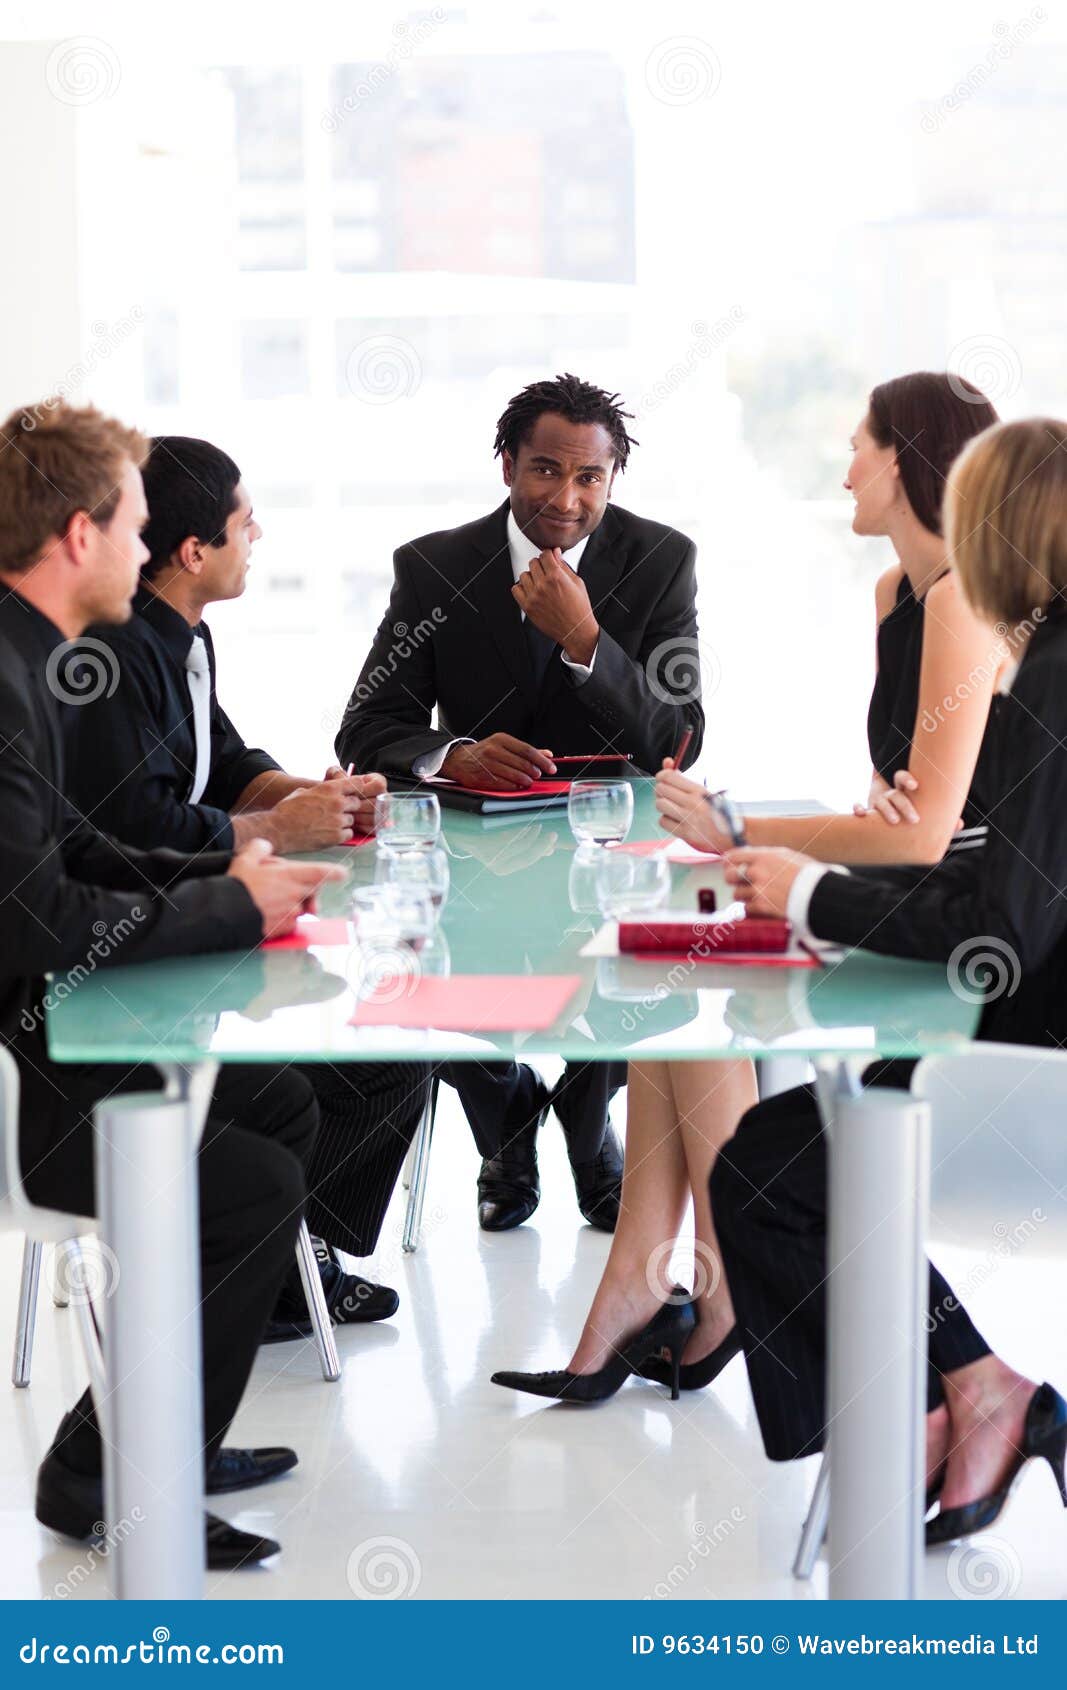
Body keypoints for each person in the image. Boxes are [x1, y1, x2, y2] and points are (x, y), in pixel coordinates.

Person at [491, 371, 1002, 1403]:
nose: (844, 471)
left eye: (857, 448)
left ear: (903, 462)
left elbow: (921, 836)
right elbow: (896, 803)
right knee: (673, 958)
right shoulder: (896, 595)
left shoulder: (960, 598)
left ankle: (706, 1292)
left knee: (699, 966)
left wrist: (736, 832)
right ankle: (647, 1278)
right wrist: (865, 815)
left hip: (969, 932)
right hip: (914, 889)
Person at [0, 398, 345, 1567]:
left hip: (50, 1033)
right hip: (25, 1070)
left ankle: (122, 1455)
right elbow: (37, 917)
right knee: (246, 1184)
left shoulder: (31, 655)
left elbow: (76, 851)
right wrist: (228, 905)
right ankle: (129, 1483)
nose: (150, 546)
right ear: (79, 535)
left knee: (274, 1106)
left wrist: (233, 879)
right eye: (135, 525)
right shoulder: (14, 678)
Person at [714, 415, 1067, 1545]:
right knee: (795, 1150)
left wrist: (813, 897)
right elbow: (1005, 883)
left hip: (1030, 1078)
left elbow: (1002, 927)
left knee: (767, 1175)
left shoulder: (1050, 679)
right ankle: (971, 1390)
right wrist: (820, 891)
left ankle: (944, 1402)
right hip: (1025, 1038)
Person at [62, 435, 432, 1330]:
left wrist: (315, 798)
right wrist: (278, 831)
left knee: (397, 1043)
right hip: (141, 953)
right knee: (377, 1060)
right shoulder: (113, 656)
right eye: (246, 521)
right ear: (195, 551)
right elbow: (135, 825)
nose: (257, 534)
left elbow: (224, 759)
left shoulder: (183, 632)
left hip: (197, 924)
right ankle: (271, 1266)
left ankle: (289, 1256)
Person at [337, 373, 705, 1233]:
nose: (566, 499)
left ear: (612, 478)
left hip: (612, 852)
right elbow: (366, 725)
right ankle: (505, 1118)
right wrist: (454, 753)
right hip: (471, 855)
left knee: (659, 973)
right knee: (419, 968)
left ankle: (584, 1115)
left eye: (589, 478)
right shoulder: (434, 566)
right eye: (545, 470)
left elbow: (679, 739)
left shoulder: (660, 559)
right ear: (506, 464)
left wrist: (586, 639)